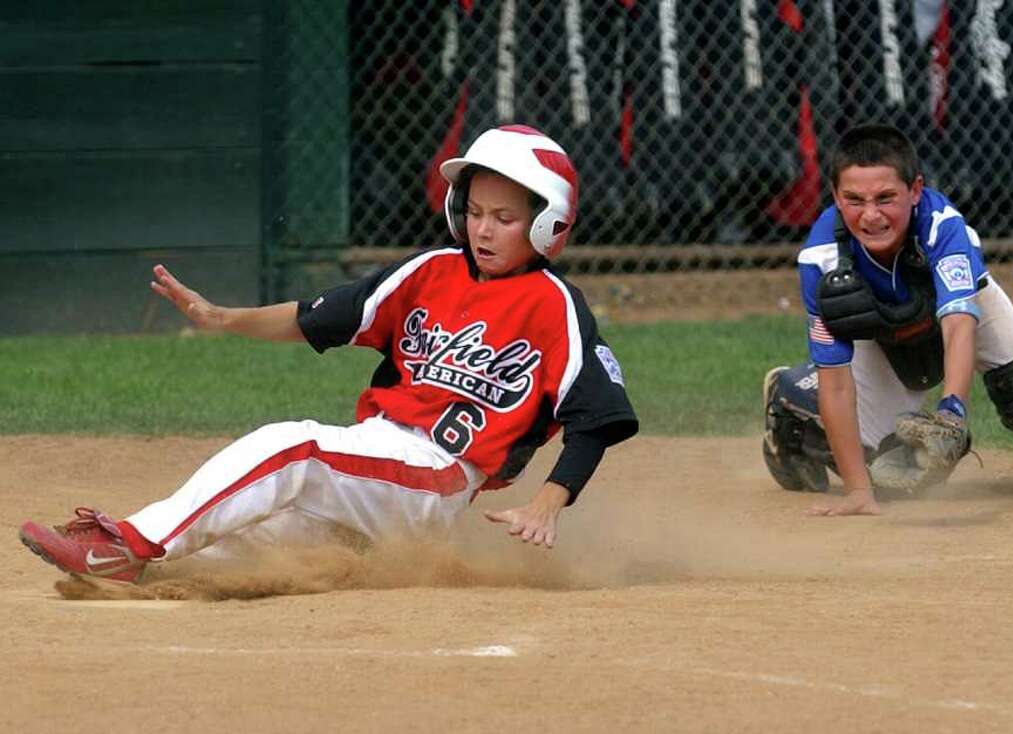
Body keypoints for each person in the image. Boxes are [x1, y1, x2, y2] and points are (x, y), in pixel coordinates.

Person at [19, 125, 638, 583]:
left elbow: (596, 416)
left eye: (504, 217)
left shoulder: (553, 305)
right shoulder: (430, 271)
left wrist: (549, 501)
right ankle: (136, 573)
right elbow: (320, 318)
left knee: (296, 447)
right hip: (377, 468)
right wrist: (221, 317)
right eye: (474, 211)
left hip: (436, 477)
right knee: (249, 538)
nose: (482, 228)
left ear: (547, 225)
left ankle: (126, 544)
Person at [762, 123, 1013, 517]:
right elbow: (837, 382)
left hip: (954, 313)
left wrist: (952, 412)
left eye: (886, 198)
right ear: (835, 196)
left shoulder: (942, 226)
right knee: (892, 473)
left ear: (915, 190)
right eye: (854, 200)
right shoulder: (822, 259)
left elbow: (960, 323)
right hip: (879, 339)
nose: (871, 215)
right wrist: (858, 490)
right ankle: (794, 405)